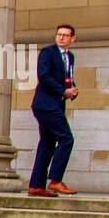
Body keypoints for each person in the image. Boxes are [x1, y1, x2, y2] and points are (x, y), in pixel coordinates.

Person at [28, 24, 79, 197]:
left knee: (47, 143)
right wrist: (63, 91)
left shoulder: (70, 56)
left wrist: (72, 90)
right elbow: (44, 76)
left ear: (73, 38)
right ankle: (56, 180)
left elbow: (67, 78)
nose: (61, 37)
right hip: (45, 104)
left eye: (65, 35)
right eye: (59, 34)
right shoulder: (48, 52)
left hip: (55, 104)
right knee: (66, 139)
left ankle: (36, 185)